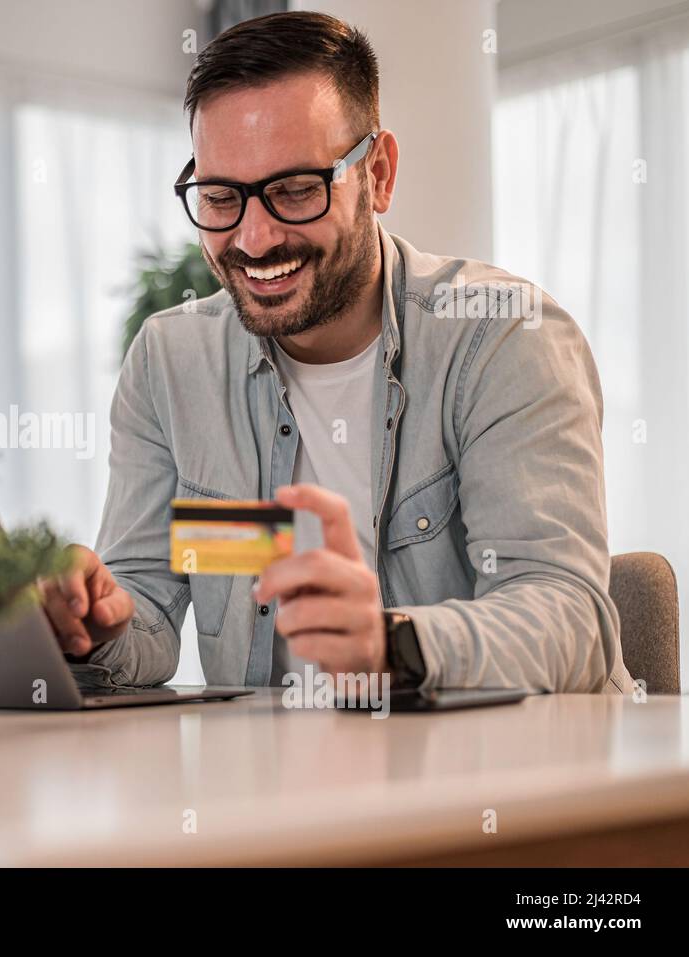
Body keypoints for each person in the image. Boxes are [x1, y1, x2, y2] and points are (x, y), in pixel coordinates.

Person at [39, 11, 632, 695]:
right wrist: (95, 624)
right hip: (289, 788)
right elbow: (146, 614)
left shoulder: (503, 337)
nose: (254, 239)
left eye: (294, 190)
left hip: (507, 783)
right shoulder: (170, 363)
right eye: (222, 197)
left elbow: (570, 616)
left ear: (377, 174)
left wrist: (393, 644)